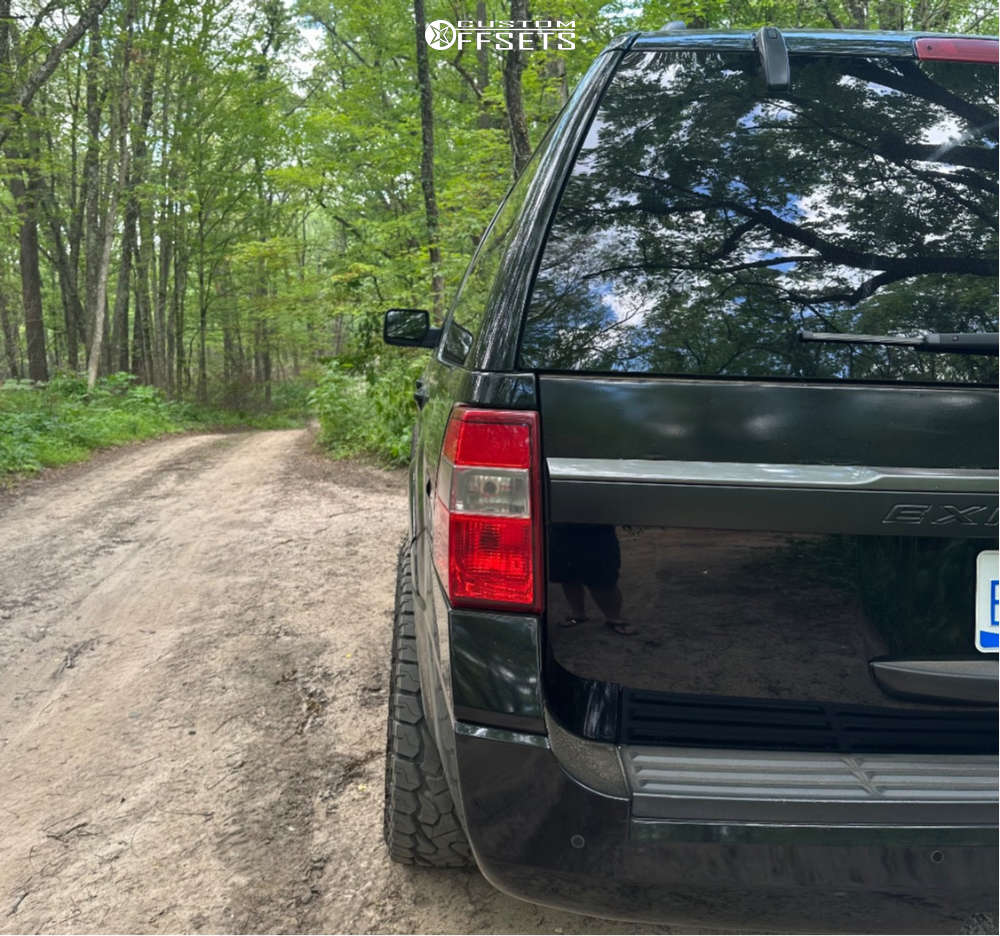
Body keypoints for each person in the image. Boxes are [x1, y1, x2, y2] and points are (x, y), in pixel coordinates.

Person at [548, 523, 636, 635]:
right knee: (567, 576)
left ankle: (615, 619)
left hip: (595, 528)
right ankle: (578, 615)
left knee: (602, 578)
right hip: (561, 527)